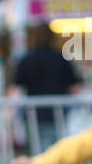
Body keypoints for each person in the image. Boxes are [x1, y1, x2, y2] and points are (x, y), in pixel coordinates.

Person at [7, 25, 81, 156]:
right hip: (57, 114)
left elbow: (16, 89)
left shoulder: (27, 60)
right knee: (56, 153)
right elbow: (76, 87)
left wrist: (9, 114)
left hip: (33, 115)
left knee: (36, 154)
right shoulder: (61, 59)